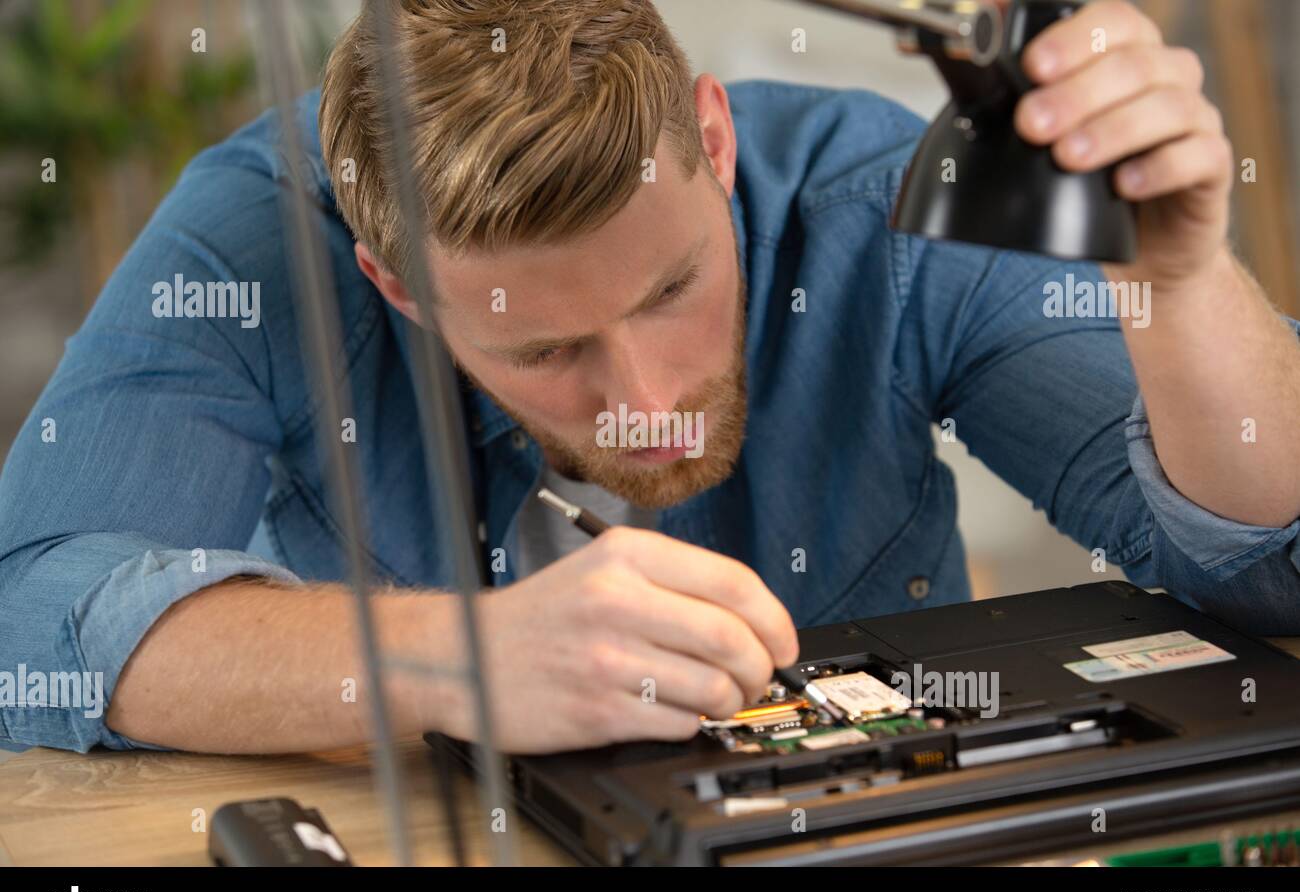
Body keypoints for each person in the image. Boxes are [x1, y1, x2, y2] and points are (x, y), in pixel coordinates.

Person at [1, 0, 1296, 756]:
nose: (643, 396)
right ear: (395, 285)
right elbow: (24, 628)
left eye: (673, 287)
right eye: (545, 348)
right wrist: (454, 664)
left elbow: (1267, 570)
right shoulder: (255, 242)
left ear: (715, 143)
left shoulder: (877, 206)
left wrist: (1175, 281)